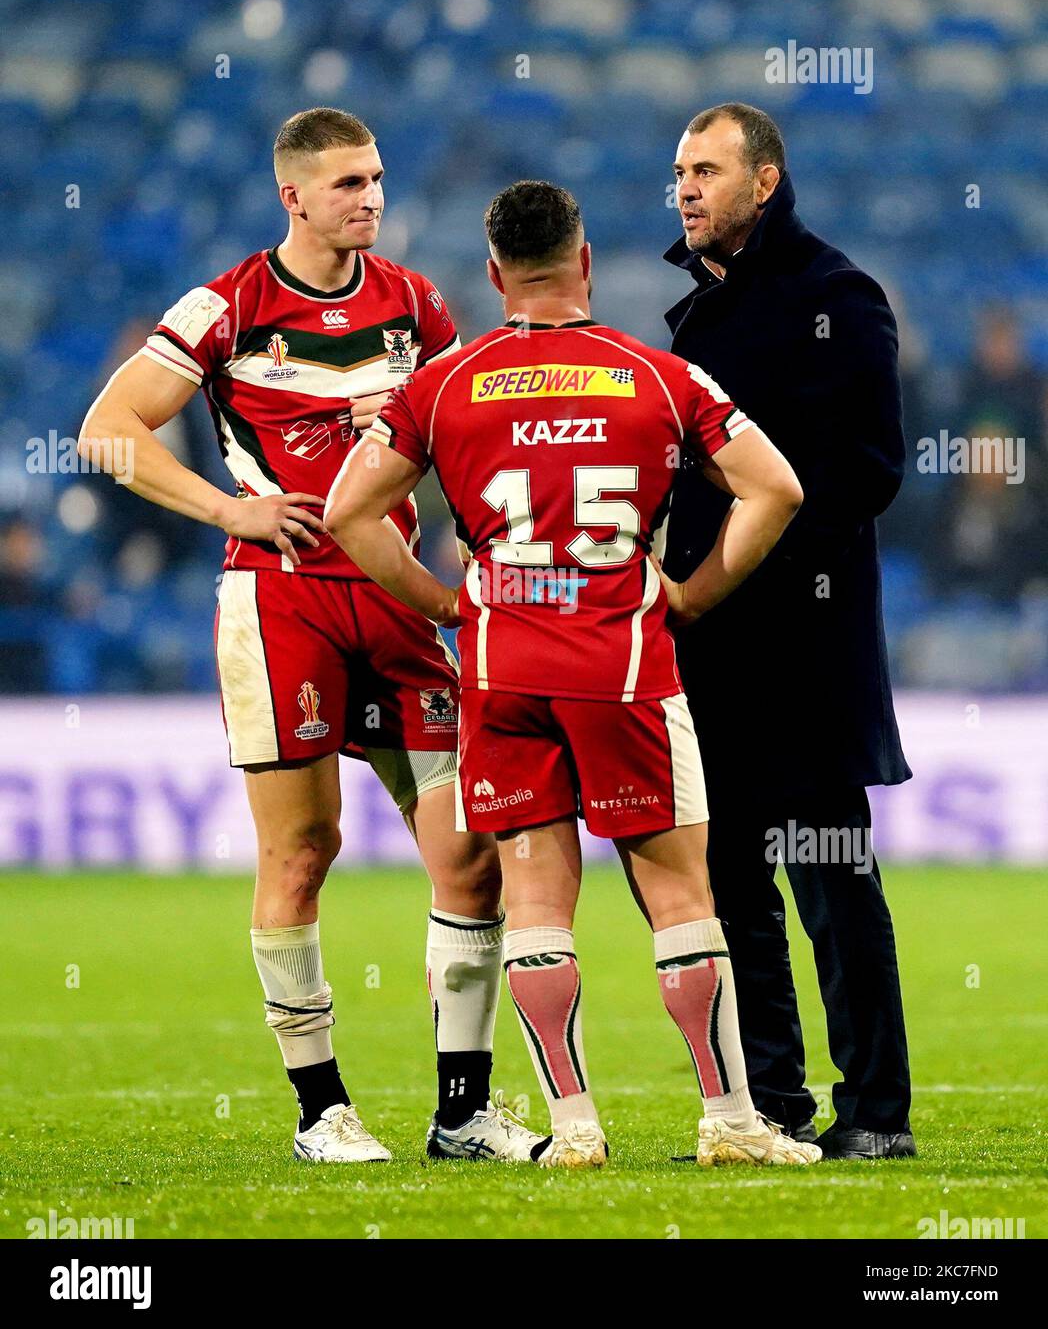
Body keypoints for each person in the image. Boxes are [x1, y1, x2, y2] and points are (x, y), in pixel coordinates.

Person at [78, 107, 545, 1164]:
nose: (369, 197)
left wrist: (486, 558)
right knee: (302, 850)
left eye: (375, 178)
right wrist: (229, 508)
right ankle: (320, 1111)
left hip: (396, 593)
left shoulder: (417, 306)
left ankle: (463, 1113)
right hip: (279, 600)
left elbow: (459, 439)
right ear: (292, 196)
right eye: (345, 184)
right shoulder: (228, 306)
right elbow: (106, 432)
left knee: (468, 858)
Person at [324, 179, 821, 1170]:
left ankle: (576, 1128)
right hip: (622, 662)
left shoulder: (443, 384)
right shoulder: (659, 376)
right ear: (585, 263)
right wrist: (693, 590)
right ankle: (729, 1122)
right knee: (681, 895)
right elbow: (778, 487)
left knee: (537, 899)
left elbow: (345, 512)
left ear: (496, 272)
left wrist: (444, 604)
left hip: (504, 667)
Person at [663, 102, 915, 1159]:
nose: (684, 188)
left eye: (707, 170)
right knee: (730, 889)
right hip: (713, 649)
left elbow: (869, 470)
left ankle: (874, 1112)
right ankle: (771, 1105)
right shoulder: (692, 317)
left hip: (803, 653)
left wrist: (741, 554)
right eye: (678, 170)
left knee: (830, 881)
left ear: (763, 182)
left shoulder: (835, 295)